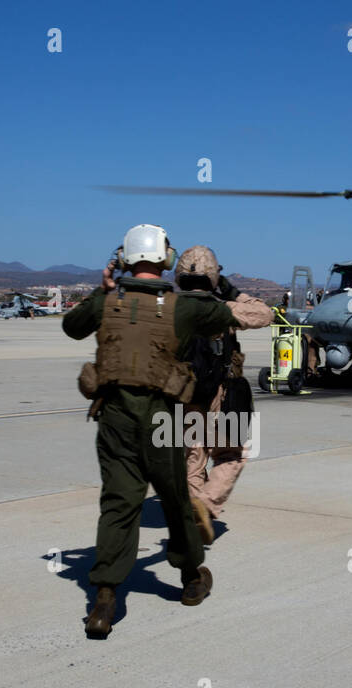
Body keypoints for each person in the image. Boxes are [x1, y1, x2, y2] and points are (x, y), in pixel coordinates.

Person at [62, 224, 235, 637]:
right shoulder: (184, 307)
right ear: (167, 261)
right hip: (164, 418)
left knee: (120, 503)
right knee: (175, 497)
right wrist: (214, 284)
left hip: (115, 415)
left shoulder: (105, 302)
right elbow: (223, 315)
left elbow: (72, 326)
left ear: (123, 259)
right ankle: (192, 579)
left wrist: (103, 289)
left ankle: (104, 600)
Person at [173, 246, 271, 543]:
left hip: (183, 395)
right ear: (214, 275)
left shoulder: (170, 307)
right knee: (233, 454)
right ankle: (206, 503)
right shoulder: (223, 309)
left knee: (193, 457)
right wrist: (231, 290)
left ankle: (192, 517)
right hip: (219, 394)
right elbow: (265, 314)